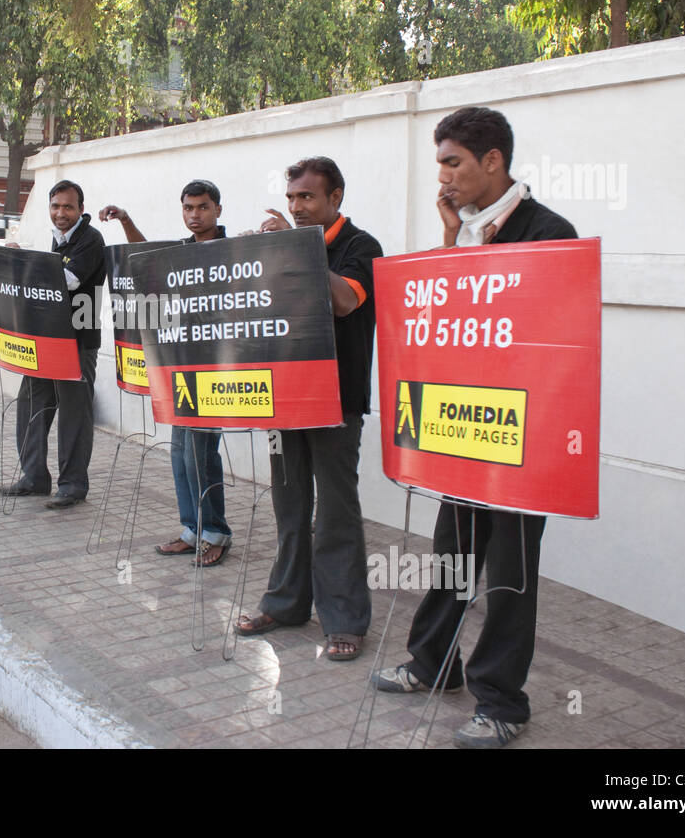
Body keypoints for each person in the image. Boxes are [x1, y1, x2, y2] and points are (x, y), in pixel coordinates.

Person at [372, 106, 578, 749]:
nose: (443, 177)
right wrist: (454, 241)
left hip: (523, 437)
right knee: (453, 554)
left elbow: (544, 337)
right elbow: (447, 317)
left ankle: (502, 703)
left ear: (494, 162)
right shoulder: (462, 229)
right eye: (440, 163)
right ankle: (433, 663)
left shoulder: (549, 230)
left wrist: (473, 246)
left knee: (511, 574)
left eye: (453, 162)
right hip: (462, 431)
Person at [234, 156, 381, 664]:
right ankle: (287, 602)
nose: (297, 207)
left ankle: (344, 619)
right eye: (293, 198)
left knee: (336, 510)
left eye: (308, 198)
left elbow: (345, 302)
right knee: (289, 502)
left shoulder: (361, 247)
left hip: (337, 401)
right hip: (286, 395)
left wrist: (299, 247)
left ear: (335, 198)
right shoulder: (288, 242)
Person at [99, 179, 233, 567]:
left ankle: (217, 532)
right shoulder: (181, 252)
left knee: (201, 455)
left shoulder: (232, 251)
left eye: (203, 207)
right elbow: (144, 257)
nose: (195, 215)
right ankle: (192, 530)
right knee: (179, 454)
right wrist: (125, 220)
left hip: (214, 372)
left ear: (218, 210)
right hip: (179, 370)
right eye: (189, 208)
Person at [0, 179, 106, 509]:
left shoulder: (90, 239)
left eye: (68, 207)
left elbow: (67, 283)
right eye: (55, 206)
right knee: (31, 403)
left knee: (74, 413)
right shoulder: (57, 241)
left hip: (78, 339)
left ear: (81, 209)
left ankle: (73, 485)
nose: (61, 213)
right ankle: (34, 477)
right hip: (46, 337)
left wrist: (22, 265)